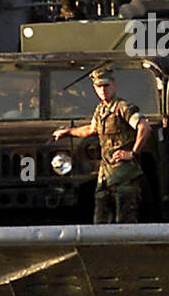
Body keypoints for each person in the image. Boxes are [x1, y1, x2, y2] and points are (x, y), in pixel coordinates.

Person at [52, 67, 151, 224]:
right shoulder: (101, 110)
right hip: (105, 175)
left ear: (114, 85)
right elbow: (91, 129)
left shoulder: (123, 108)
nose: (103, 90)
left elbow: (144, 127)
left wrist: (132, 153)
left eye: (106, 86)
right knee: (101, 222)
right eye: (99, 87)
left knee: (125, 224)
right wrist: (69, 132)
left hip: (125, 177)